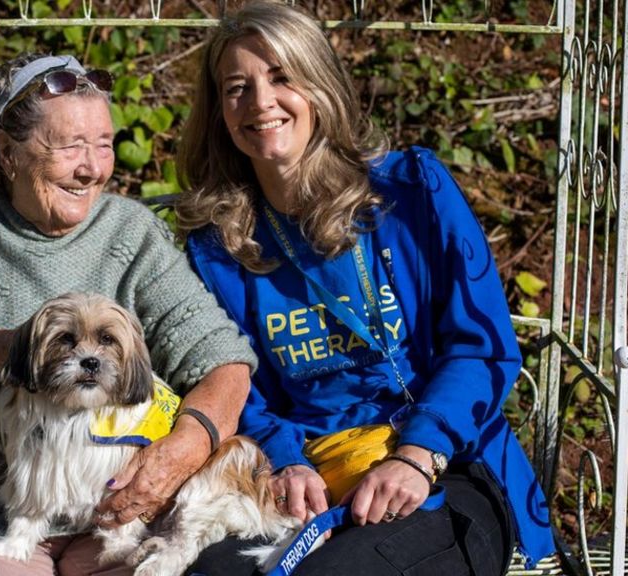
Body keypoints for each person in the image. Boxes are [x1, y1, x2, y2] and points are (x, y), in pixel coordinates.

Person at [0, 53, 258, 576]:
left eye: (103, 145)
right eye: (70, 145)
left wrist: (179, 454)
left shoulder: (131, 230)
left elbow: (224, 362)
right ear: (8, 152)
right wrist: (19, 347)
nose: (92, 167)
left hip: (116, 514)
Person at [175, 2, 555, 575]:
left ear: (320, 85)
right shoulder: (219, 246)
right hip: (308, 477)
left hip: (440, 466)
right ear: (220, 111)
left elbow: (480, 347)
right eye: (237, 88)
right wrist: (282, 464)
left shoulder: (411, 192)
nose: (260, 103)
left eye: (282, 77)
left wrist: (416, 454)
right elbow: (236, 385)